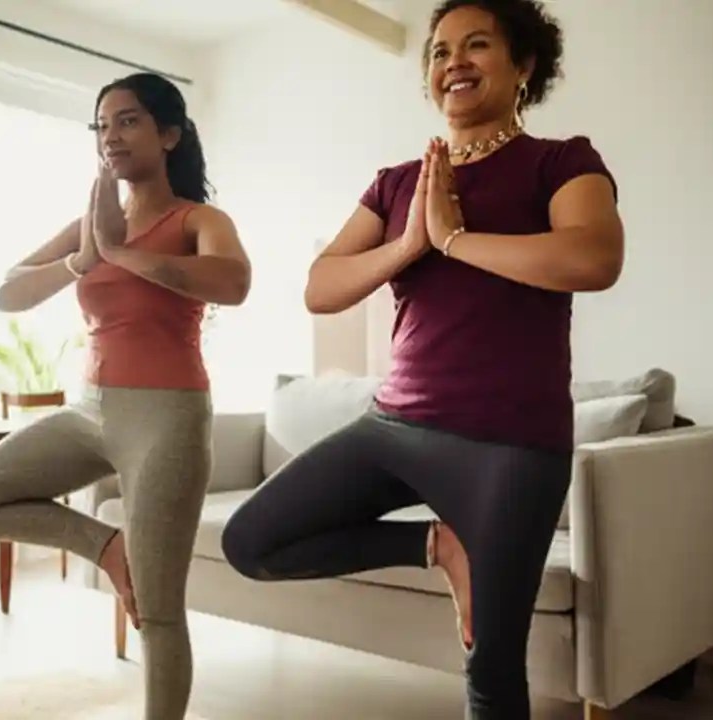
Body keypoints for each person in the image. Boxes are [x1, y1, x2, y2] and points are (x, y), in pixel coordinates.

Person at [220, 1, 623, 717]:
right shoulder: (397, 182)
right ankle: (440, 546)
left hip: (510, 445)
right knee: (251, 541)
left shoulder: (561, 162)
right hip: (394, 427)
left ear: (524, 65)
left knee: (492, 672)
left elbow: (593, 257)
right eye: (439, 51)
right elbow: (321, 287)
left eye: (477, 45)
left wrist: (455, 239)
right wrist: (410, 244)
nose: (453, 62)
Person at [0, 72, 251, 720]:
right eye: (101, 125)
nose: (110, 136)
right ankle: (106, 547)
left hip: (166, 417)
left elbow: (233, 282)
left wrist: (121, 252)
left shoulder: (197, 219)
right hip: (90, 411)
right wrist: (83, 260)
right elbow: (8, 292)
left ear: (169, 135)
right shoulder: (89, 224)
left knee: (157, 611)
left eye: (128, 120)